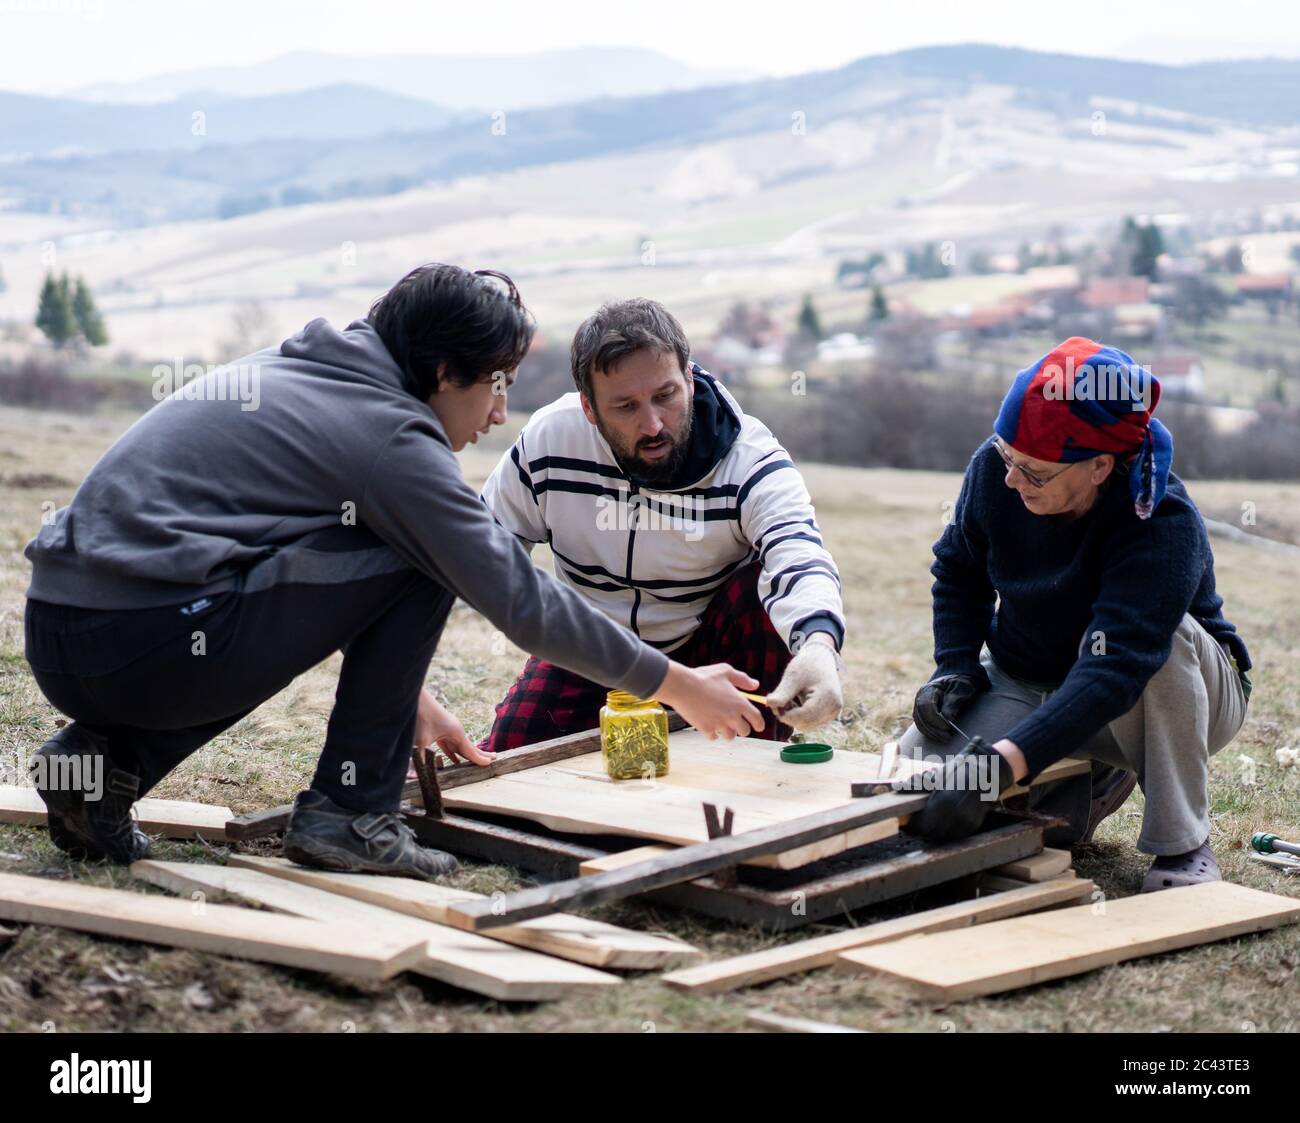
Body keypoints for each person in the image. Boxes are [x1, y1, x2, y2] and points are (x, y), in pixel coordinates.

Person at [23, 265, 762, 879]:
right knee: (427, 551)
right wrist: (675, 683)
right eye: (496, 384)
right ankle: (352, 815)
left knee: (350, 560)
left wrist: (400, 689)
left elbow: (295, 575)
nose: (500, 412)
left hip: (67, 633)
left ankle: (95, 768)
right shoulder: (388, 435)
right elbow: (519, 595)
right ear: (444, 374)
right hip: (145, 643)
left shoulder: (312, 371)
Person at [898, 337, 1251, 892]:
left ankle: (1183, 843)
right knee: (921, 777)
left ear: (1099, 467)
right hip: (1033, 676)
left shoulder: (1160, 521)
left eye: (1034, 472)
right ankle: (1085, 785)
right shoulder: (999, 470)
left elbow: (1118, 669)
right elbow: (958, 569)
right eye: (1007, 458)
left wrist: (997, 769)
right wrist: (956, 666)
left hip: (1166, 696)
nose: (1012, 480)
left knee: (1167, 643)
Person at [478, 298, 846, 752]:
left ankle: (753, 753)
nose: (653, 424)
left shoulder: (751, 459)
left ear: (689, 379)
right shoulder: (548, 440)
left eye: (665, 395)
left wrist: (818, 644)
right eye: (625, 406)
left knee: (758, 584)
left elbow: (798, 552)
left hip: (712, 654)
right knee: (507, 767)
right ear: (589, 409)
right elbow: (480, 550)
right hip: (594, 650)